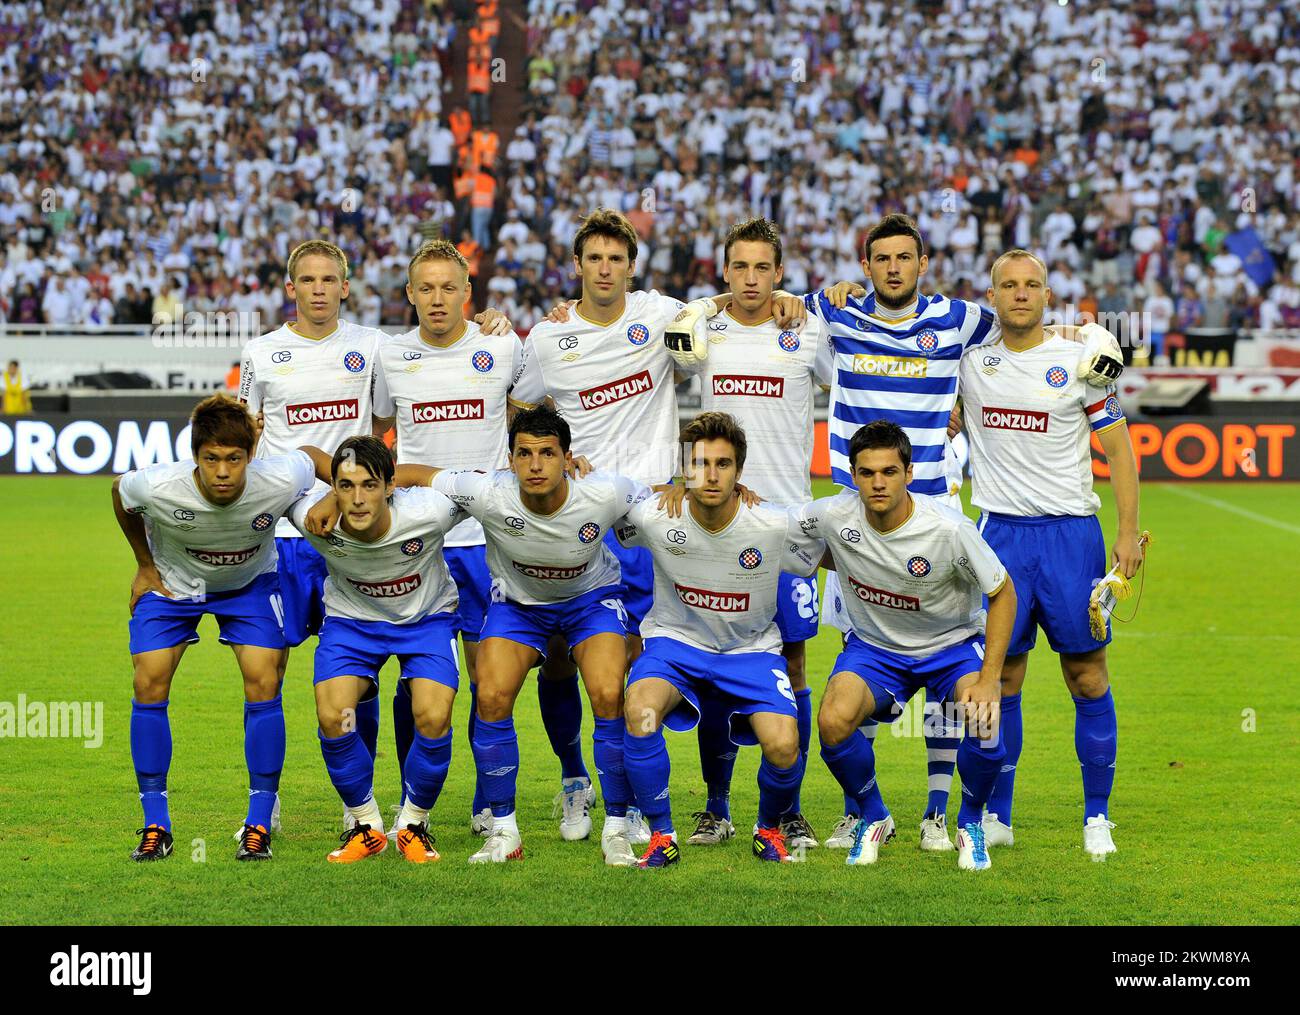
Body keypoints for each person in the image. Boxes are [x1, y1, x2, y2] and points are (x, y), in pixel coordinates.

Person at [769, 213, 1123, 850]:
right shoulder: (835, 312)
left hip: (934, 512)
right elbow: (769, 304)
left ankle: (940, 806)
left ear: (923, 263)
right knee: (861, 650)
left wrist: (1091, 333)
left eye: (906, 257)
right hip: (855, 510)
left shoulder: (959, 319)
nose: (895, 267)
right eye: (883, 258)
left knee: (945, 656)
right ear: (867, 264)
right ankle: (861, 807)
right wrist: (790, 298)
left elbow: (1030, 325)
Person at [354, 405, 657, 866]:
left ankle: (617, 825)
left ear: (567, 457)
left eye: (547, 454)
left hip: (590, 602)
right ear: (510, 458)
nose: (535, 465)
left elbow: (665, 504)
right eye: (524, 454)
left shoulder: (604, 492)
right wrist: (363, 490)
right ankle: (503, 831)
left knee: (607, 691)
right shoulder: (487, 491)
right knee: (491, 695)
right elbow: (414, 472)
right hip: (518, 606)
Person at [373, 239, 587, 840]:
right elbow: (378, 425)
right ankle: (410, 802)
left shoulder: (500, 343)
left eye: (449, 287)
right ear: (410, 294)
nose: (437, 299)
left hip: (488, 540)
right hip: (417, 536)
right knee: (416, 674)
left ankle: (496, 799)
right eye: (426, 288)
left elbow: (538, 412)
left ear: (468, 293)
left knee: (489, 678)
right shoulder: (391, 356)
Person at [958, 249, 1143, 860]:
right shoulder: (970, 363)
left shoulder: (1079, 361)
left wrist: (1127, 534)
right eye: (1007, 285)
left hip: (1072, 538)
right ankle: (997, 814)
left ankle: (1097, 817)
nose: (1019, 294)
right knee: (1002, 676)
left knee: (1085, 675)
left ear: (1046, 294)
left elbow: (1118, 450)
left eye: (1031, 284)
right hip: (1000, 538)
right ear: (992, 295)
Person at [669, 218, 832, 850]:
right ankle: (715, 806)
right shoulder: (701, 328)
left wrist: (831, 292)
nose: (751, 279)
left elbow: (860, 359)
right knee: (713, 667)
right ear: (724, 271)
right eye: (739, 267)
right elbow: (647, 325)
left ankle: (785, 809)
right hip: (712, 527)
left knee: (791, 666)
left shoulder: (806, 328)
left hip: (787, 531)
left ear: (780, 273)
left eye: (763, 268)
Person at [795, 420, 1016, 870]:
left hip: (950, 647)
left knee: (986, 717)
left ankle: (970, 822)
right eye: (867, 472)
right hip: (875, 650)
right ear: (852, 475)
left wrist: (991, 678)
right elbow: (773, 527)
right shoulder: (833, 516)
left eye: (889, 472)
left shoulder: (949, 529)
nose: (878, 482)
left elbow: (1003, 592)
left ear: (909, 473)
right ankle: (875, 816)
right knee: (833, 720)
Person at [111, 395, 316, 862]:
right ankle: (155, 824)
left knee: (265, 680)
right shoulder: (158, 486)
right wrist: (144, 564)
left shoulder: (280, 476)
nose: (222, 472)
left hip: (249, 585)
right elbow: (119, 493)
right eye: (211, 459)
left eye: (234, 459)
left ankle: (259, 821)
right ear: (195, 455)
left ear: (250, 455)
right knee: (148, 679)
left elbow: (316, 460)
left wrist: (338, 496)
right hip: (176, 588)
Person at [619, 412, 825, 867]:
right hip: (676, 645)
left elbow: (828, 555)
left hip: (749, 651)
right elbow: (609, 507)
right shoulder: (655, 516)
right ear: (684, 467)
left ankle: (767, 828)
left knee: (784, 744)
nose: (711, 475)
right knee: (640, 709)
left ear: (739, 471)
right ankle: (661, 835)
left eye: (723, 464)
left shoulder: (771, 524)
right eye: (700, 464)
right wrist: (661, 489)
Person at [291, 437, 465, 864]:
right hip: (352, 624)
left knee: (433, 714)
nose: (357, 499)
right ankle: (367, 825)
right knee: (335, 716)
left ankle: (413, 824)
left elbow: (488, 491)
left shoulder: (431, 512)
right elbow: (304, 457)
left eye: (369, 485)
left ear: (390, 486)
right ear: (333, 488)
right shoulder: (310, 518)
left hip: (426, 621)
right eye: (345, 487)